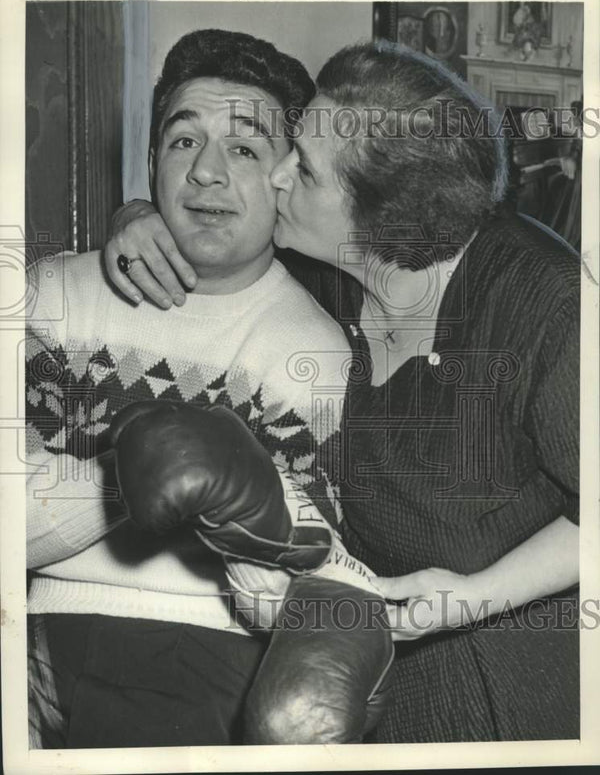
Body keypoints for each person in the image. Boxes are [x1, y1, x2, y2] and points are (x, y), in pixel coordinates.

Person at [107, 41, 580, 743]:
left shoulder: (546, 303)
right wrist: (135, 216)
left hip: (531, 692)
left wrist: (473, 596)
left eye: (304, 170)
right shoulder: (331, 272)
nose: (277, 174)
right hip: (384, 687)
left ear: (383, 219)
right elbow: (210, 224)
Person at [26, 29, 374, 748]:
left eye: (244, 149)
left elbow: (310, 581)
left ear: (285, 177)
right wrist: (130, 472)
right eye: (184, 141)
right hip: (31, 626)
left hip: (205, 652)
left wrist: (234, 507)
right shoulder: (52, 297)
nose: (207, 172)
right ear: (153, 160)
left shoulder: (315, 355)